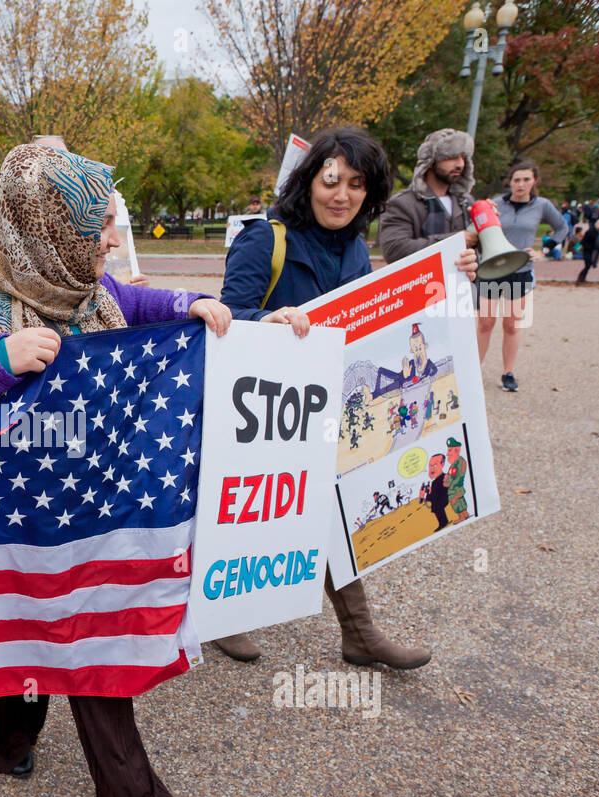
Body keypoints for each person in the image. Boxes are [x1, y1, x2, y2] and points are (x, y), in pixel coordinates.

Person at [0, 144, 235, 797]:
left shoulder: (100, 296)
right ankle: (1, 745)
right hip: (12, 524)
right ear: (46, 239)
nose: (111, 242)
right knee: (18, 635)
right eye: (97, 233)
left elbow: (147, 304)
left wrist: (193, 304)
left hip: (91, 523)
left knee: (91, 650)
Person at [218, 127, 477, 669]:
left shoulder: (357, 247)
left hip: (325, 406)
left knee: (331, 502)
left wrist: (448, 277)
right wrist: (267, 321)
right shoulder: (264, 239)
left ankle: (359, 634)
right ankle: (222, 617)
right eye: (331, 180)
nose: (342, 195)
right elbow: (224, 321)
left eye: (357, 185)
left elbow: (378, 322)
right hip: (259, 407)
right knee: (249, 509)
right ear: (308, 180)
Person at [477, 161, 567, 392]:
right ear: (510, 182)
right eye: (516, 179)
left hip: (520, 271)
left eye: (526, 179)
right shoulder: (496, 203)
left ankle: (508, 373)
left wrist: (544, 250)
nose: (520, 184)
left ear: (534, 180)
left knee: (512, 325)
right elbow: (477, 227)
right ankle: (475, 370)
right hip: (492, 269)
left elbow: (562, 228)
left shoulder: (542, 205)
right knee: (486, 322)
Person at [377, 128, 478, 265]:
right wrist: (452, 242)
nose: (460, 164)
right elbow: (395, 250)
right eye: (452, 157)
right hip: (421, 283)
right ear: (430, 161)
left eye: (463, 158)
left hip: (463, 284)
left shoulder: (466, 201)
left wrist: (488, 222)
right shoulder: (402, 203)